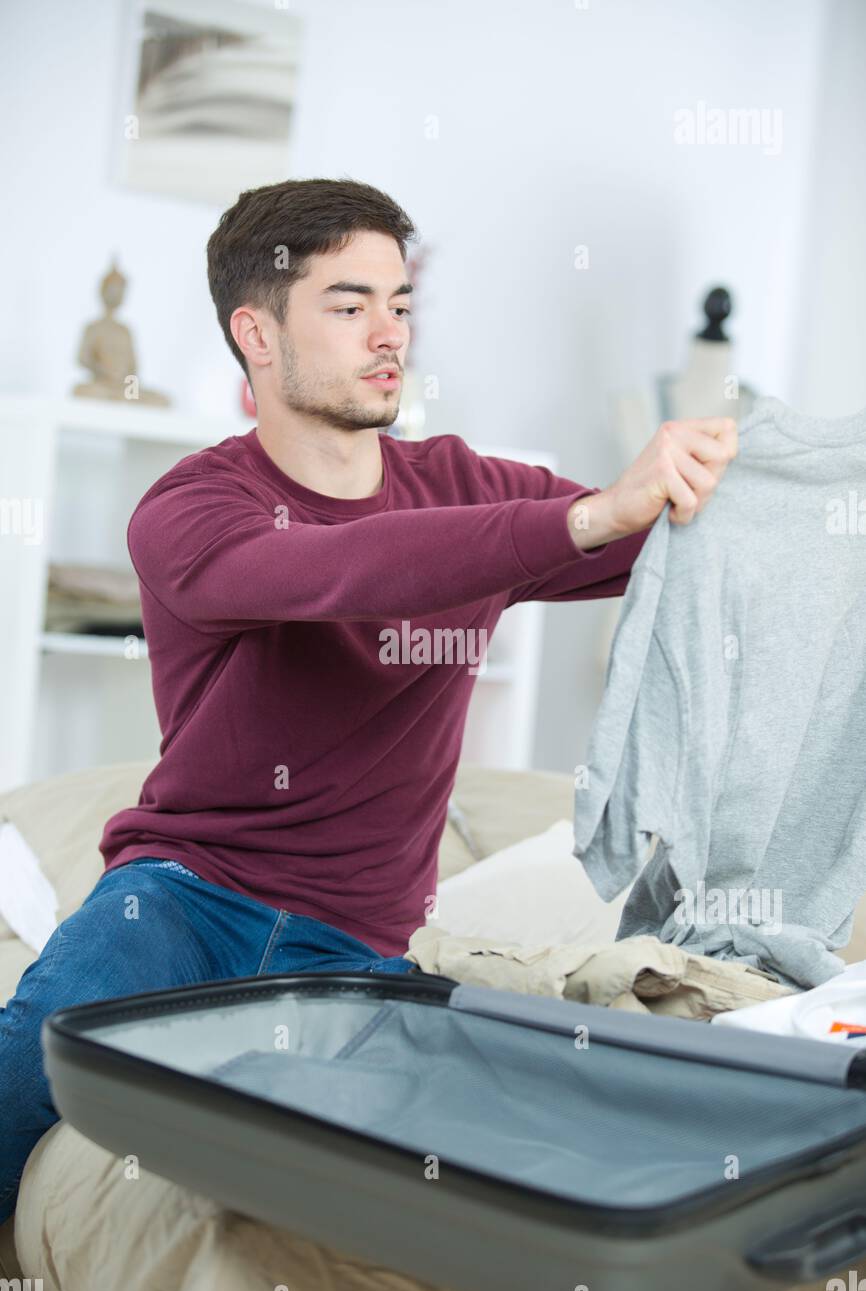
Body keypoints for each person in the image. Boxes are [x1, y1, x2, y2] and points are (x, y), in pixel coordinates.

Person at [0, 178, 736, 1223]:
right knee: (30, 1066)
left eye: (399, 304)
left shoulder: (463, 485)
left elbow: (650, 551)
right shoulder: (189, 509)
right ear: (255, 332)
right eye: (348, 307)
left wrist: (748, 497)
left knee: (440, 1171)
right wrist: (580, 517)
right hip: (179, 898)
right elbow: (344, 570)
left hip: (362, 943)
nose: (388, 334)